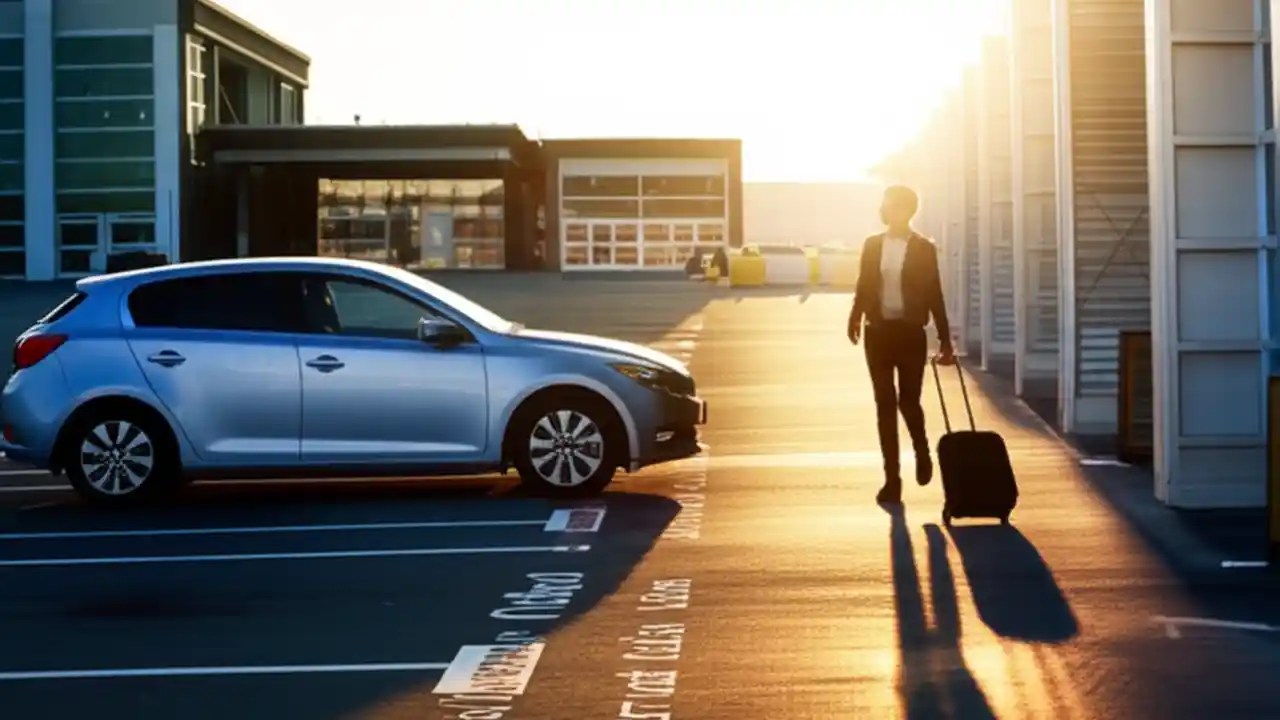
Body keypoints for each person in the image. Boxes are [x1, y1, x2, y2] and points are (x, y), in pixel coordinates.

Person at [847, 185, 955, 505]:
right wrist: (854, 316)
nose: (896, 212)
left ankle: (921, 451)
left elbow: (934, 292)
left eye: (902, 207)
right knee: (884, 405)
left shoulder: (923, 248)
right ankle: (891, 479)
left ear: (910, 210)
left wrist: (946, 338)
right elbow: (864, 284)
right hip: (878, 332)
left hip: (910, 333)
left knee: (909, 402)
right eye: (891, 206)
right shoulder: (872, 245)